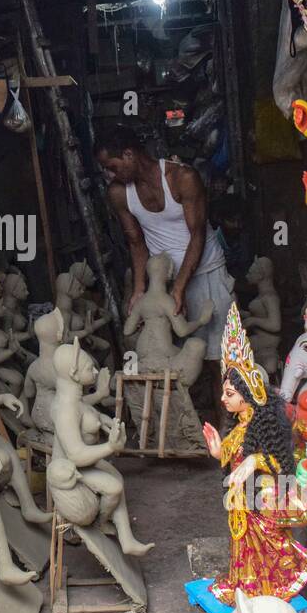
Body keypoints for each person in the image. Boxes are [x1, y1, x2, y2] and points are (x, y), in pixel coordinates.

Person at [96, 125, 235, 407]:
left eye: (112, 166)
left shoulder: (183, 178)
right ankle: (193, 417)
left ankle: (225, 420)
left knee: (220, 352)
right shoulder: (119, 193)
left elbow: (197, 236)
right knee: (180, 351)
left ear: (128, 154)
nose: (109, 175)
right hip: (167, 279)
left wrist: (180, 288)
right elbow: (136, 243)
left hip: (206, 270)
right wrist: (139, 289)